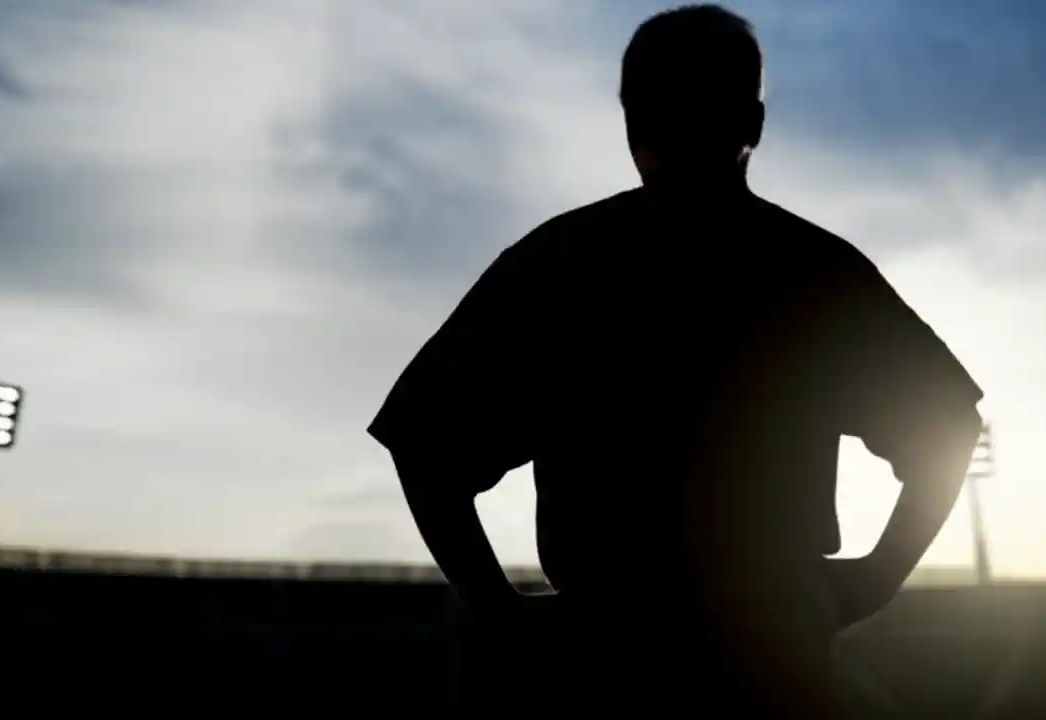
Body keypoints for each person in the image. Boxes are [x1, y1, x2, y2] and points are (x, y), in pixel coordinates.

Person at [367, 4, 984, 717]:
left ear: (631, 124)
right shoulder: (815, 274)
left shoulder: (556, 268)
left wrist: (500, 609)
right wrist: (872, 579)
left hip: (609, 656)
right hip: (772, 656)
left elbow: (423, 443)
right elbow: (948, 424)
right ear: (753, 124)